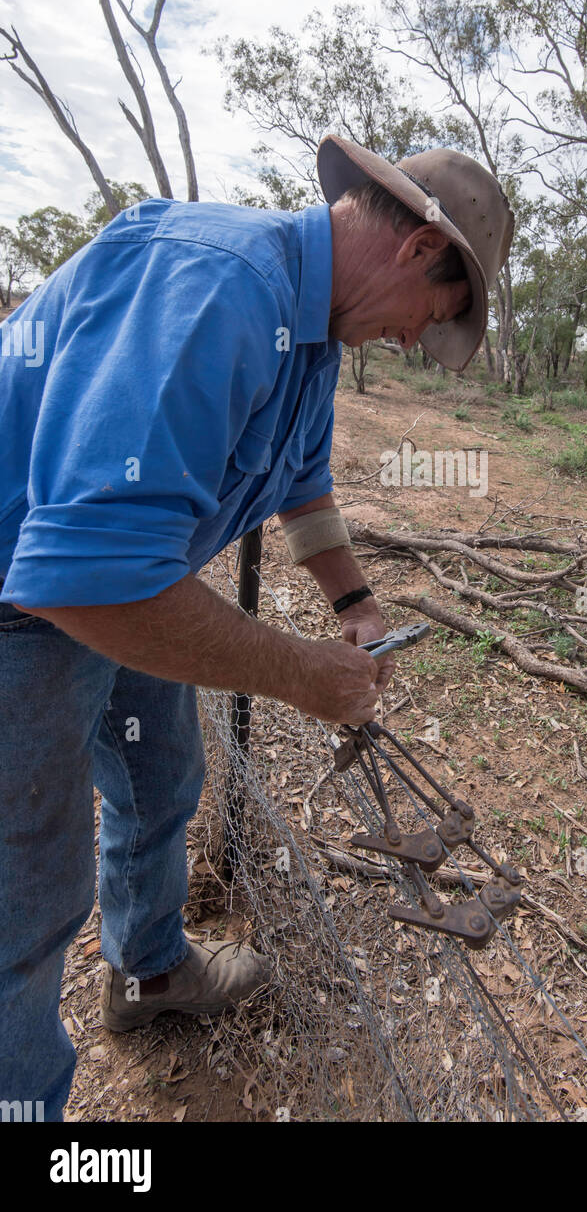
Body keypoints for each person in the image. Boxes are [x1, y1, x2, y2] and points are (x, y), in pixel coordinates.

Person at [0, 133, 514, 1120]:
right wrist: (302, 674)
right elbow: (82, 576)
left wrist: (354, 605)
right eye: (433, 315)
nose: (415, 340)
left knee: (161, 779)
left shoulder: (312, 334)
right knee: (27, 893)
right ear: (416, 251)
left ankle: (147, 970)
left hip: (132, 580)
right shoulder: (217, 283)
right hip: (31, 600)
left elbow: (303, 483)